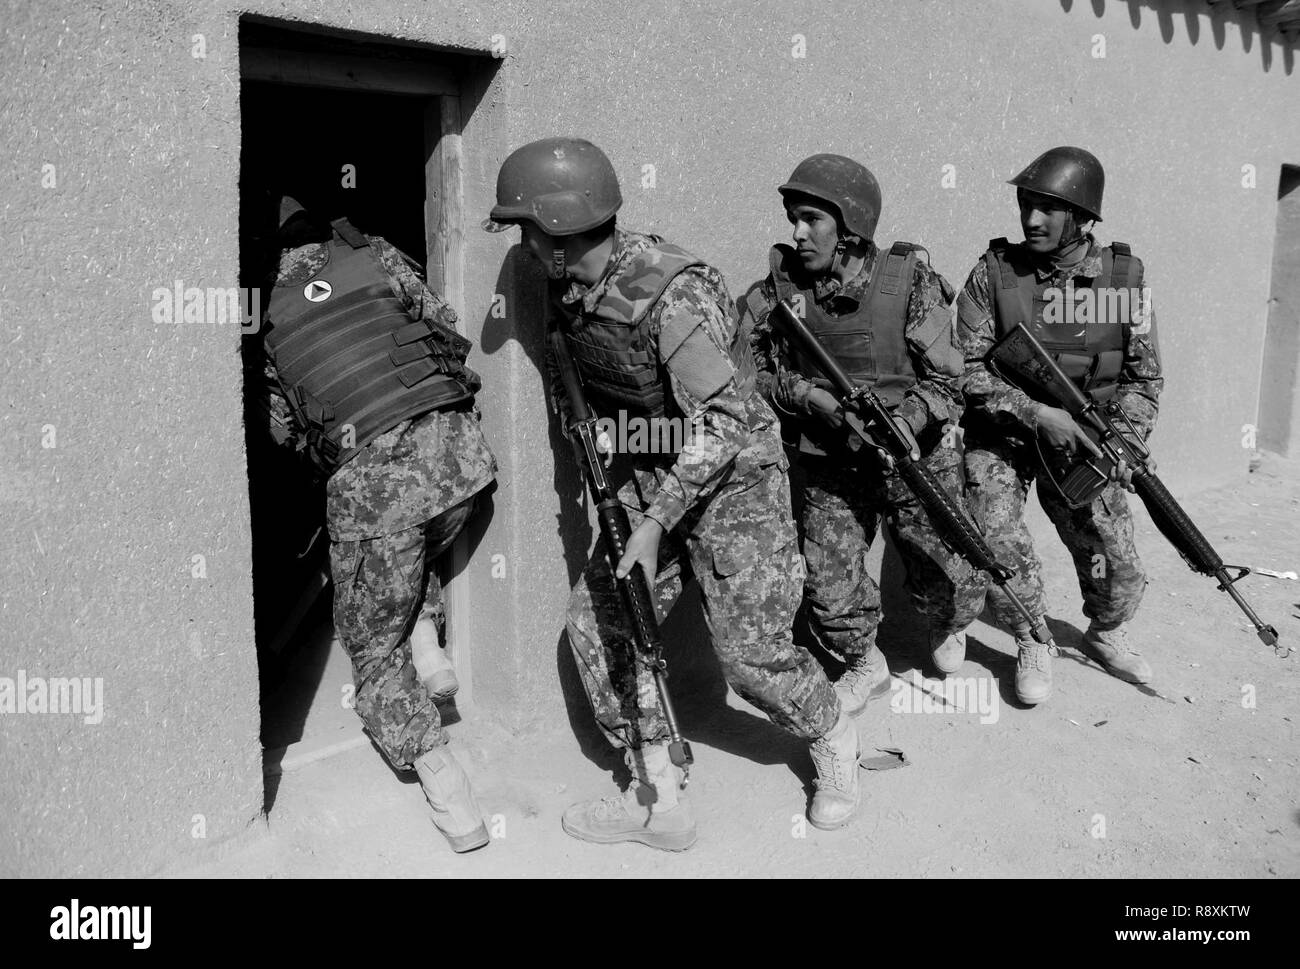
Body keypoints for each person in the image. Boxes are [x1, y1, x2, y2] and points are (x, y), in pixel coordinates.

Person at [484, 138, 859, 849]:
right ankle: (658, 786)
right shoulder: (571, 290)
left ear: (560, 228)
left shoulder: (671, 292)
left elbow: (725, 420)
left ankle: (833, 733)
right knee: (601, 622)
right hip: (654, 475)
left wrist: (654, 522)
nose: (523, 245)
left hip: (734, 486)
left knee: (750, 658)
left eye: (527, 228)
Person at [256, 196, 498, 852]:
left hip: (377, 492)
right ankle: (427, 637)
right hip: (463, 466)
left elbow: (284, 433)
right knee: (407, 552)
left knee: (372, 645)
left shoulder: (266, 314)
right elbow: (442, 324)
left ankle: (444, 781)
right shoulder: (374, 252)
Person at [742, 154, 987, 697]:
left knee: (955, 580)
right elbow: (744, 375)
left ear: (850, 227)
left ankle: (948, 622)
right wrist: (807, 396)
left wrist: (910, 416)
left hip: (913, 455)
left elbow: (952, 376)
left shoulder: (907, 281)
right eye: (794, 219)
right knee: (829, 593)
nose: (798, 233)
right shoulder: (782, 290)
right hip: (832, 461)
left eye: (813, 219)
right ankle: (862, 659)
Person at [955, 147, 1162, 705]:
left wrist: (1123, 439)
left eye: (1049, 209)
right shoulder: (994, 274)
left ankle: (1106, 632)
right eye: (1027, 204)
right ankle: (1031, 634)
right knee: (996, 535)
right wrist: (1037, 413)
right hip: (1007, 434)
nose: (1031, 220)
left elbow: (1144, 379)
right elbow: (964, 370)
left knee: (1115, 558)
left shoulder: (1122, 280)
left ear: (1082, 216)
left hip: (1086, 440)